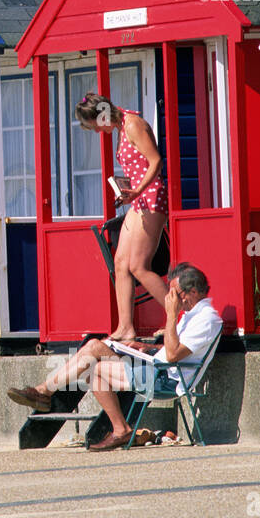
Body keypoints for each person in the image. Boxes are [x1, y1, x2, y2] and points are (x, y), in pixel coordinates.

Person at [7, 262, 223, 451]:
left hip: (165, 378)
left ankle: (46, 393)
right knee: (94, 352)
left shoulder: (205, 319)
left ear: (193, 292)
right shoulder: (194, 316)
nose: (171, 298)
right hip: (156, 366)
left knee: (93, 360)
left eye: (175, 293)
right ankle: (50, 394)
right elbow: (175, 348)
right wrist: (146, 347)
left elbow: (175, 354)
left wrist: (171, 315)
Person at [74, 92, 168, 341]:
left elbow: (156, 161)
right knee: (120, 263)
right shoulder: (120, 127)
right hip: (138, 200)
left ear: (101, 115)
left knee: (139, 266)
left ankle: (179, 320)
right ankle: (126, 326)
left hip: (151, 199)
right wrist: (128, 190)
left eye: (94, 125)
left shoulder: (133, 124)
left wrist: (136, 190)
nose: (95, 131)